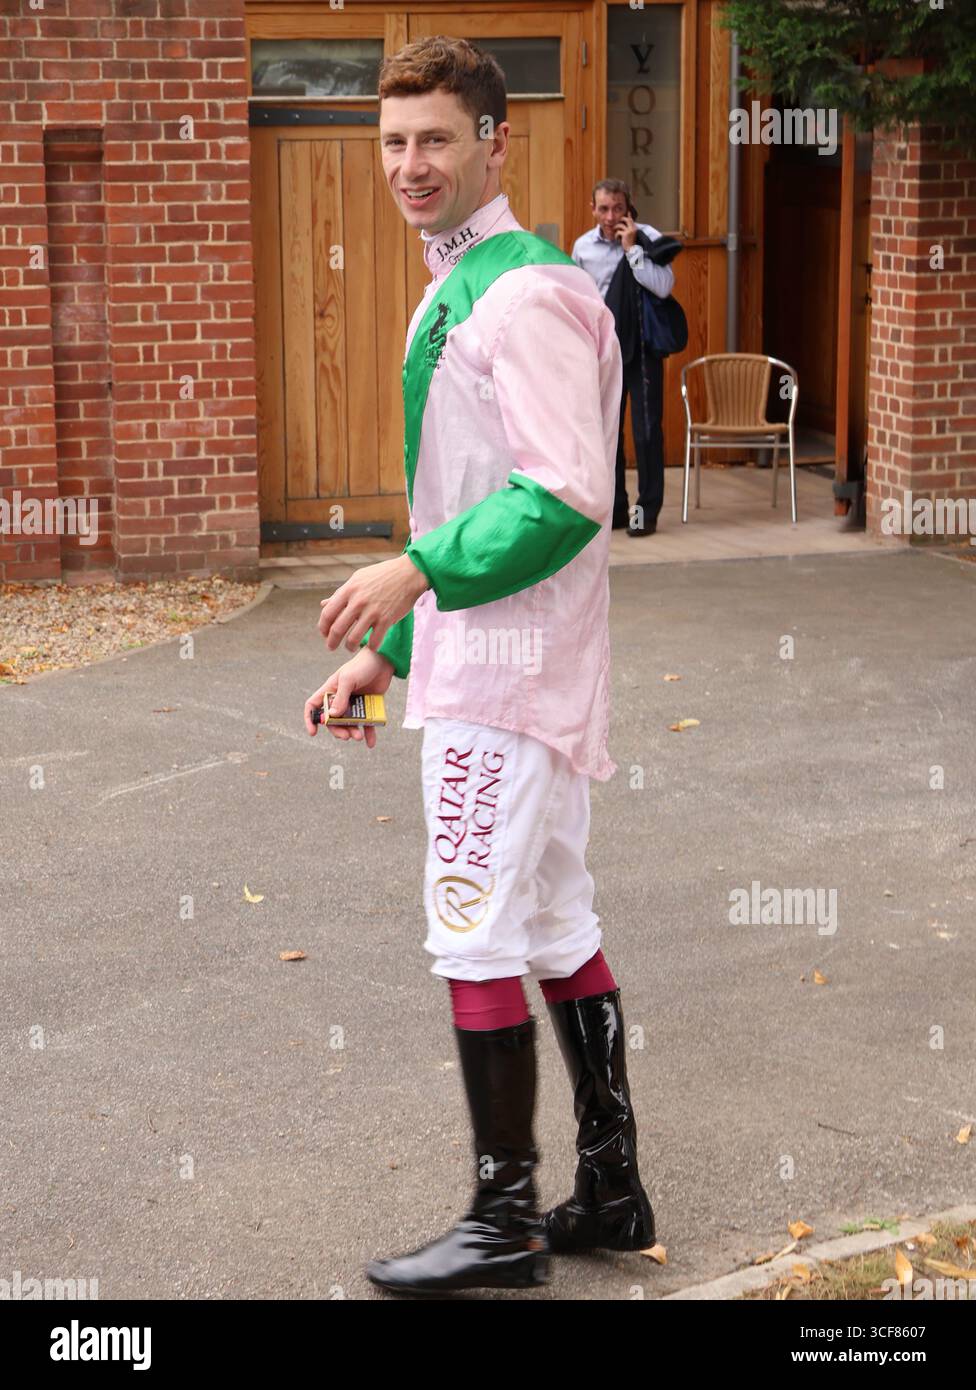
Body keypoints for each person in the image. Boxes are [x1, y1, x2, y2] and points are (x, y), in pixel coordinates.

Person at [304, 35, 655, 1296]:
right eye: (394, 141)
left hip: (509, 680)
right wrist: (386, 655)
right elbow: (462, 491)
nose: (410, 164)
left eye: (436, 138)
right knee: (555, 920)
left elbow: (566, 494)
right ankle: (609, 1187)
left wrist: (415, 574)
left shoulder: (530, 293)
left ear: (496, 142)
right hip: (485, 664)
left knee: (471, 929)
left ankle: (502, 1220)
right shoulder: (456, 287)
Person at [572, 180, 674, 536]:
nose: (611, 216)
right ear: (593, 208)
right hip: (602, 350)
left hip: (643, 348)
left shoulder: (648, 237)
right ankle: (614, 510)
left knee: (646, 432)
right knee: (607, 433)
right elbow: (578, 300)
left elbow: (663, 286)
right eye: (603, 209)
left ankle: (646, 513)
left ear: (629, 207)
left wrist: (632, 250)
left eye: (617, 208)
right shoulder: (583, 247)